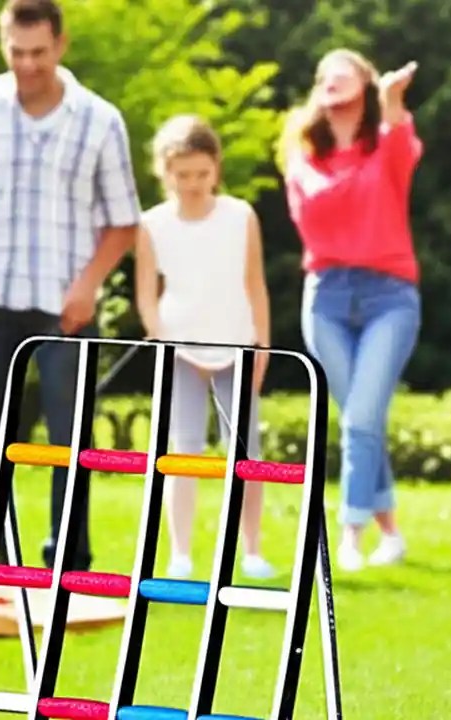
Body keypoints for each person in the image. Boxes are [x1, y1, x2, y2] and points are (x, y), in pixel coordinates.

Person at [0, 0, 141, 571]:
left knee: (70, 439)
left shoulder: (100, 120)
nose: (27, 65)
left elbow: (123, 222)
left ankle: (68, 557)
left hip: (67, 307)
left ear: (61, 45)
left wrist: (89, 285)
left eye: (38, 53)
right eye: (16, 53)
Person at [280, 49, 422, 572]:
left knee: (361, 417)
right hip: (327, 297)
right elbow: (315, 211)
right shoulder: (302, 155)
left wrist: (391, 104)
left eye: (345, 74)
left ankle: (349, 538)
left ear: (363, 87)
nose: (332, 81)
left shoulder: (388, 145)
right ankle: (392, 535)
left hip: (391, 295)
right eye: (324, 76)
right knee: (362, 419)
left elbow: (401, 143)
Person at [134, 115, 275, 580]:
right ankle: (180, 555)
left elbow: (255, 285)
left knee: (246, 453)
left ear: (215, 168)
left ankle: (251, 551)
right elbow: (146, 297)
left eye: (201, 173)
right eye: (182, 175)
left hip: (236, 346)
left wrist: (262, 345)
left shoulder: (240, 216)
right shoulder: (152, 224)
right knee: (183, 451)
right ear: (165, 172)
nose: (192, 184)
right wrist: (166, 343)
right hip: (180, 352)